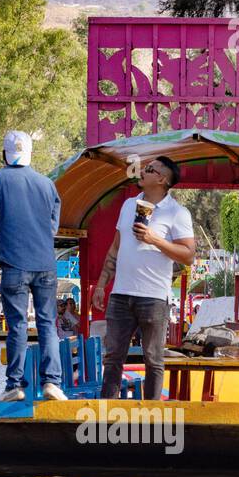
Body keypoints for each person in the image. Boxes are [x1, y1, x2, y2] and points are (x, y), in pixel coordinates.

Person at [93, 154, 195, 400]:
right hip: (120, 294)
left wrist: (155, 239)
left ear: (161, 179)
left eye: (149, 169)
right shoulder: (129, 205)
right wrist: (102, 284)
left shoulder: (177, 213)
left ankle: (152, 414)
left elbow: (189, 255)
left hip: (153, 297)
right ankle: (107, 411)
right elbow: (116, 246)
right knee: (113, 356)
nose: (142, 171)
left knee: (153, 359)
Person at [0, 130, 67, 402]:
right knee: (47, 324)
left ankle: (14, 385)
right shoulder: (47, 184)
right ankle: (52, 382)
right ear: (29, 155)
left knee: (17, 325)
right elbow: (52, 226)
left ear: (5, 154)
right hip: (45, 264)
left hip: (15, 265)